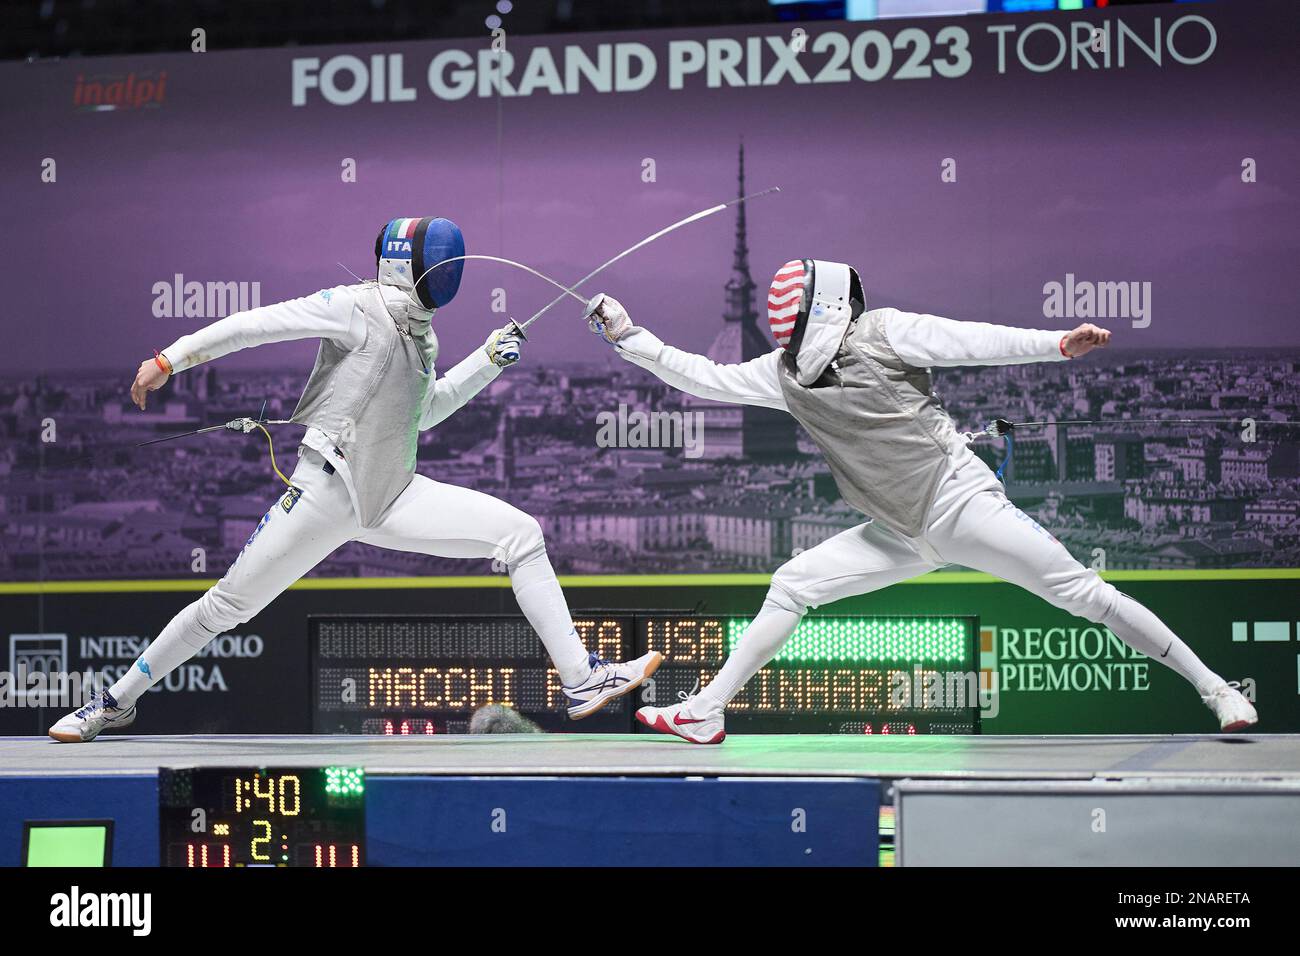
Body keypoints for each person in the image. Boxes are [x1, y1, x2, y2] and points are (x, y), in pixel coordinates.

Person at [583, 258, 1257, 743]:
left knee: (1084, 595)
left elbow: (971, 340)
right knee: (792, 584)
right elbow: (703, 377)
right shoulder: (789, 369)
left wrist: (1055, 346)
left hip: (963, 504)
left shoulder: (868, 339)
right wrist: (628, 336)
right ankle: (705, 710)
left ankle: (1215, 687)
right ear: (829, 304)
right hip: (899, 530)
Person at [49, 217, 659, 742]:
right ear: (416, 266)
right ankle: (114, 701)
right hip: (325, 491)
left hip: (393, 494)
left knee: (522, 535)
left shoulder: (423, 335)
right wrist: (169, 359)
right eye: (442, 262)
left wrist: (484, 362)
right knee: (224, 609)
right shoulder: (354, 307)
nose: (450, 273)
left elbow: (422, 415)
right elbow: (255, 324)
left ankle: (581, 680)